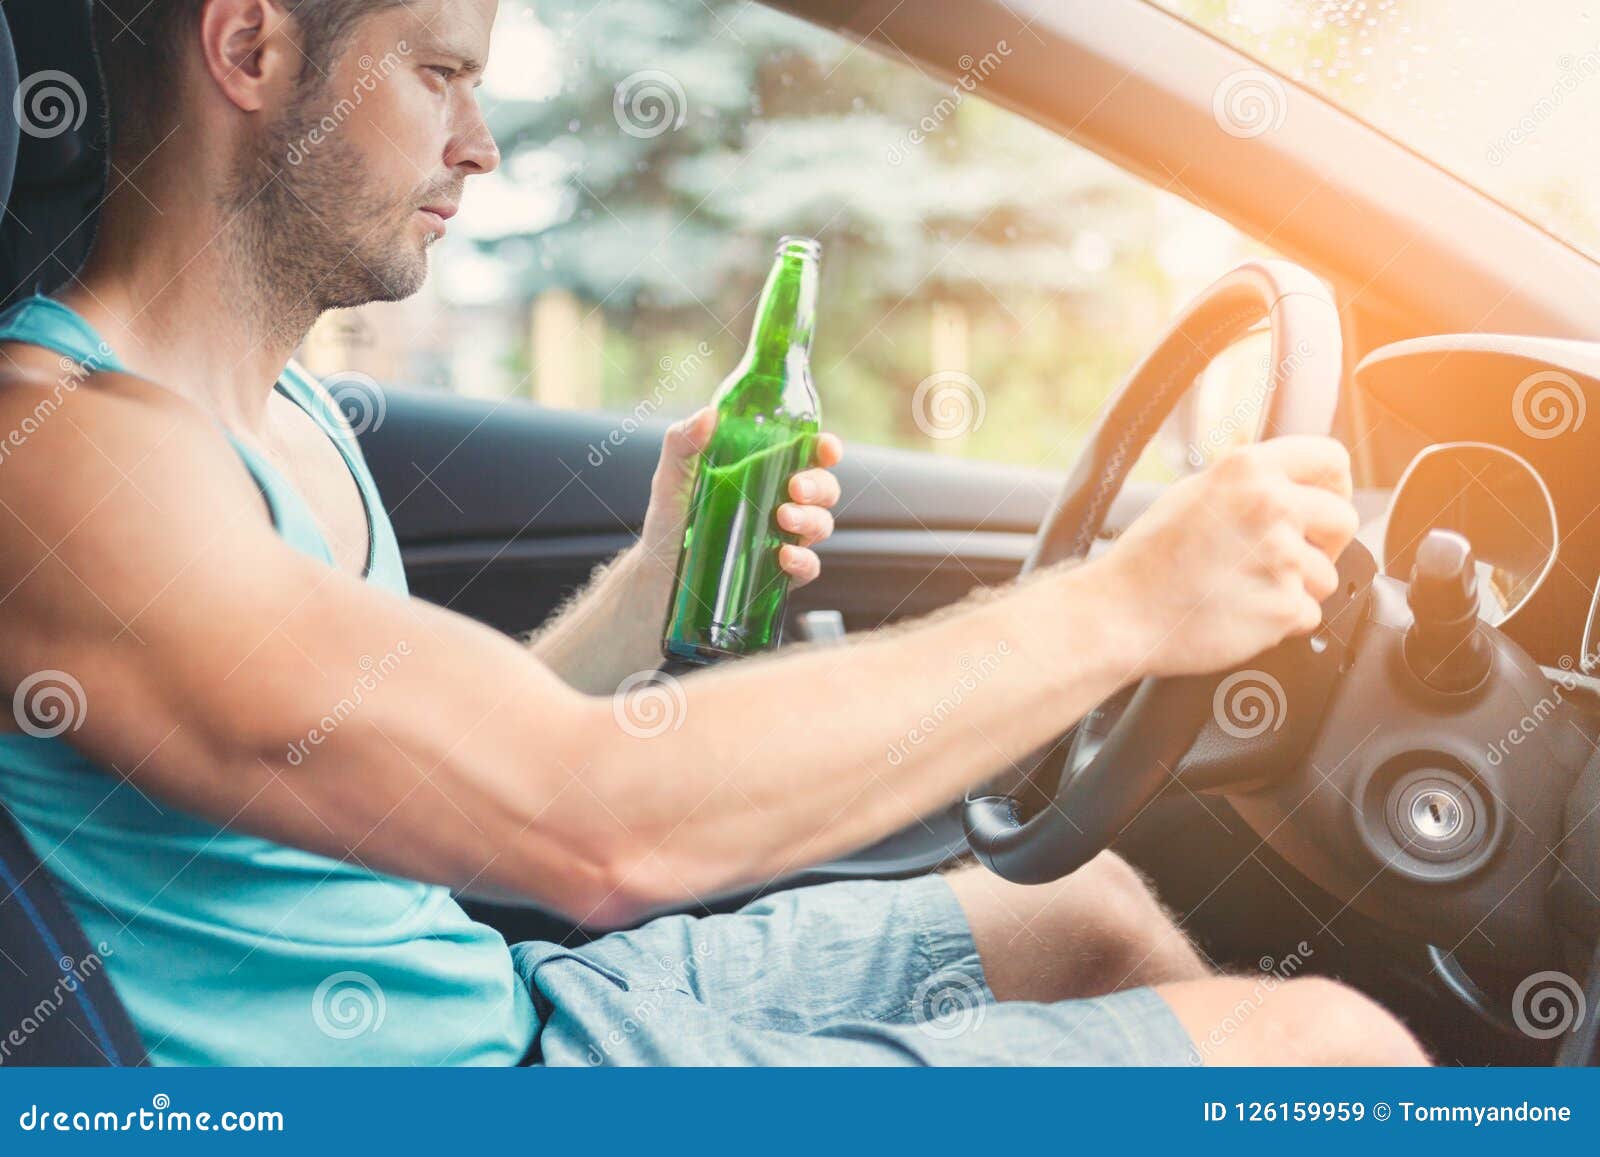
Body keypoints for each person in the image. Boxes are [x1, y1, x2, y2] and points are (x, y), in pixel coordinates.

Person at [0, 0, 1426, 1066]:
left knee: (1087, 916)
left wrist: (653, 577)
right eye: (438, 74)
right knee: (1318, 1050)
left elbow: (416, 801)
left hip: (504, 1011)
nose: (479, 145)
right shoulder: (64, 462)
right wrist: (1126, 605)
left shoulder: (282, 406)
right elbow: (579, 822)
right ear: (249, 51)